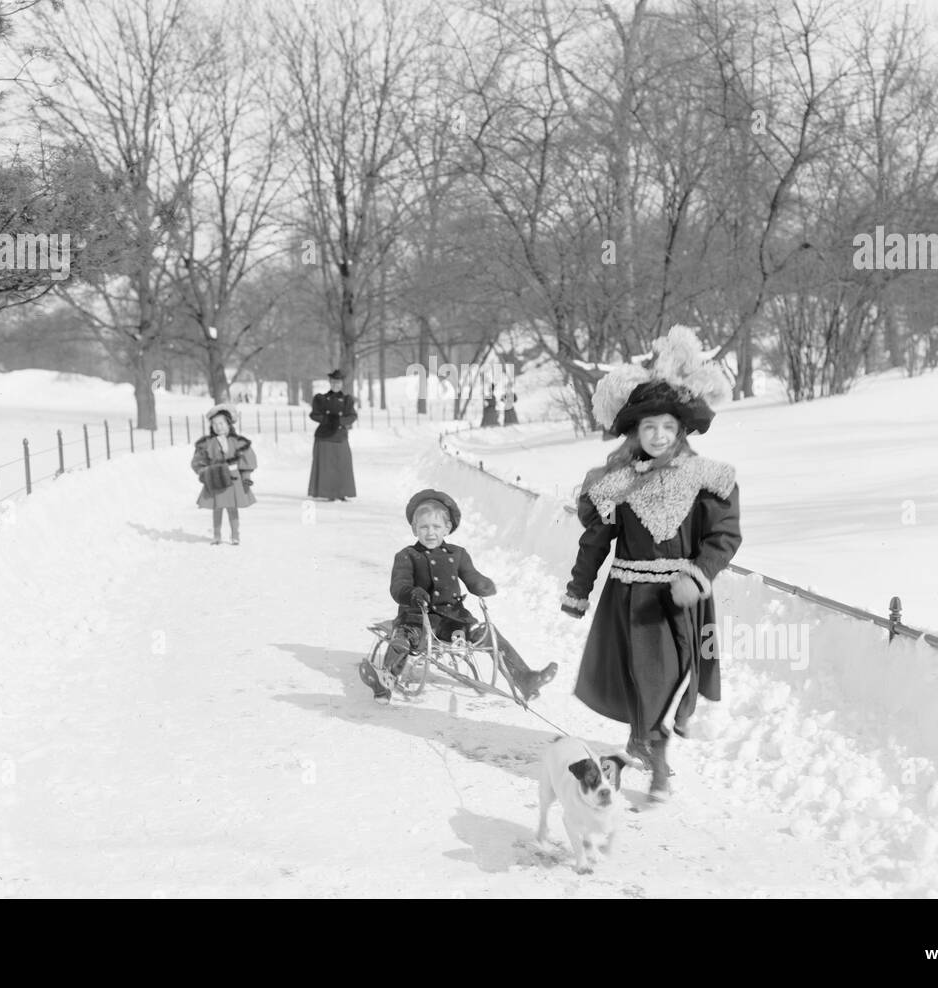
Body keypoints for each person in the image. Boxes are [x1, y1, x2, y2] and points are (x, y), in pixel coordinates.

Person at [559, 325, 741, 802]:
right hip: (632, 601)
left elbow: (725, 536)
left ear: (681, 431)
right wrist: (579, 589)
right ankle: (655, 758)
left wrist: (698, 574)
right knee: (651, 678)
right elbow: (595, 542)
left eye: (668, 427)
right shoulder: (616, 485)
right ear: (636, 432)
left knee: (681, 679)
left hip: (683, 599)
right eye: (649, 427)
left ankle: (644, 738)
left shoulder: (708, 480)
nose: (659, 436)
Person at [359, 489, 558, 703]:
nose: (430, 532)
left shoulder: (457, 554)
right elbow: (398, 586)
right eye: (424, 527)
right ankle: (385, 680)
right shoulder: (407, 556)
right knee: (404, 639)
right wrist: (412, 593)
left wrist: (482, 585)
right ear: (414, 529)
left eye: (436, 527)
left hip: (454, 621)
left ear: (447, 528)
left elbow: (471, 576)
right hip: (416, 619)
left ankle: (525, 678)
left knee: (487, 633)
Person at [191, 403, 258, 545]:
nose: (218, 427)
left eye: (221, 423)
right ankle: (216, 535)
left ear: (228, 424)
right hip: (216, 478)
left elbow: (246, 461)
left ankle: (235, 535)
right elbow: (198, 461)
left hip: (233, 480)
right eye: (214, 424)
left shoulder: (238, 442)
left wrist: (246, 477)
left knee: (232, 508)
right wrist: (204, 473)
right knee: (217, 507)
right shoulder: (208, 443)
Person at [307, 369, 357, 501]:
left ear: (342, 384)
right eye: (334, 382)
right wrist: (327, 420)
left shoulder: (347, 400)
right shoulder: (321, 399)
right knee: (326, 467)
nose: (336, 385)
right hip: (324, 437)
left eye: (338, 382)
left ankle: (341, 493)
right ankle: (327, 492)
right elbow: (314, 414)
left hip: (340, 437)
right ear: (330, 382)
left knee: (342, 465)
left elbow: (352, 416)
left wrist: (339, 421)